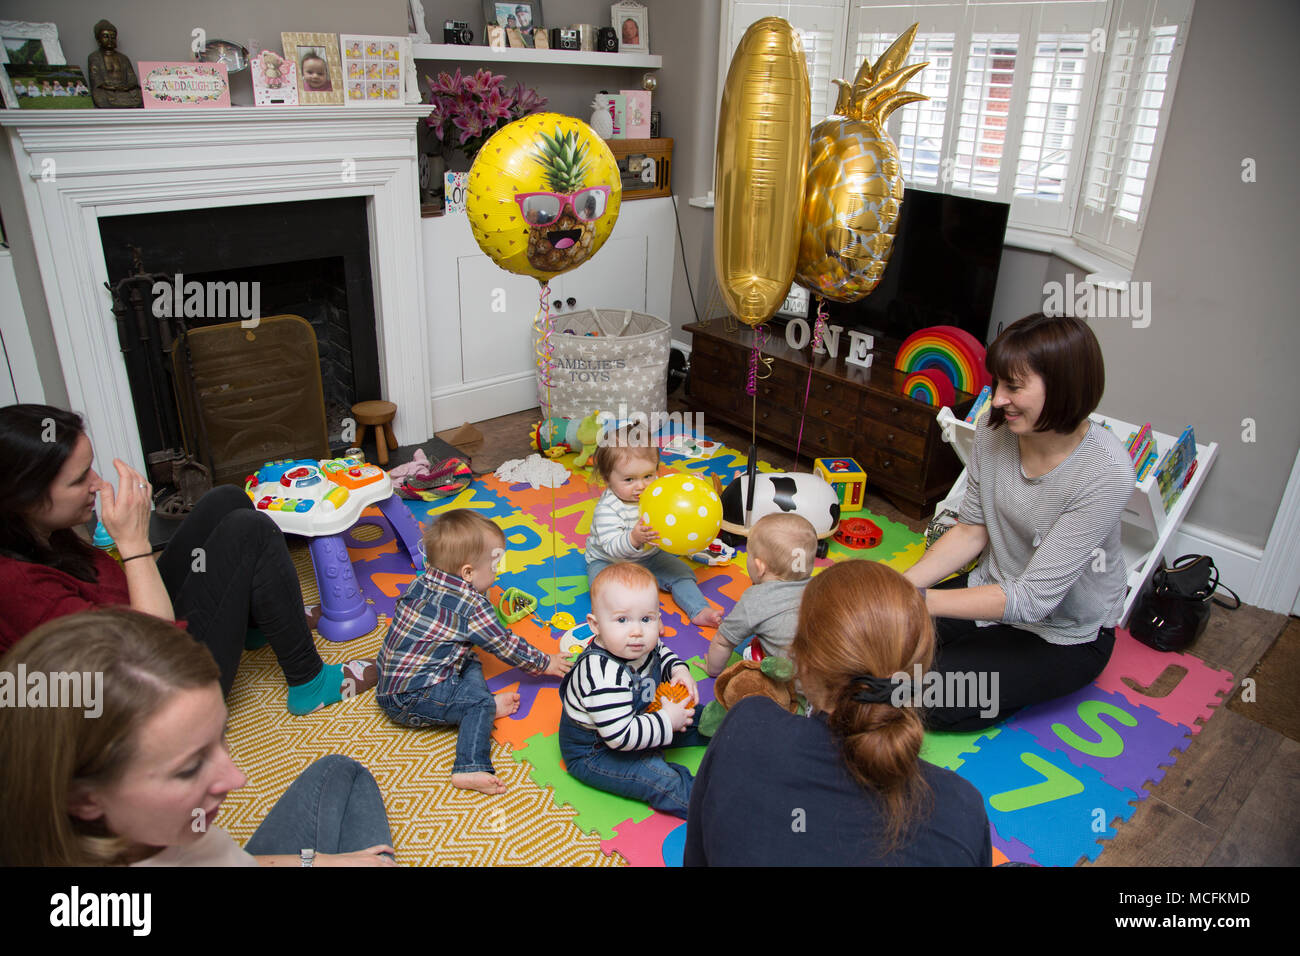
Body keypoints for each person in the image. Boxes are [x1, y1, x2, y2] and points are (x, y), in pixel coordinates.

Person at [0, 404, 375, 715]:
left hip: (136, 623)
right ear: (26, 496)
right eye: (80, 479)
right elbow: (151, 654)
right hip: (157, 692)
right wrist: (133, 544)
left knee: (225, 500)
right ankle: (310, 684)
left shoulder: (40, 531)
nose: (97, 484)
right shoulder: (20, 587)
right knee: (251, 530)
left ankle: (262, 620)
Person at [0, 609, 397, 866]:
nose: (236, 779)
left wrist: (316, 861)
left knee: (338, 770)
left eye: (219, 737)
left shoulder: (162, 830)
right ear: (85, 800)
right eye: (190, 768)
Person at [903, 313, 1135, 730]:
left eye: (1013, 387)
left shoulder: (1105, 471)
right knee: (877, 645)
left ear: (1062, 386)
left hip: (1062, 632)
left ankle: (1010, 682)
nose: (996, 401)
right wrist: (905, 585)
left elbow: (1032, 600)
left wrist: (921, 601)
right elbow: (971, 529)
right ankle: (988, 667)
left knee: (918, 698)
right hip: (990, 592)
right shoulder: (997, 431)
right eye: (997, 384)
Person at [686, 559, 992, 865]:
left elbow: (698, 855)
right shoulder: (961, 810)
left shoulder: (746, 725)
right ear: (921, 672)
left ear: (801, 662)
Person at [376, 510, 571, 795]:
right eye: (494, 568)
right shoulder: (472, 606)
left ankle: (482, 702)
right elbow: (505, 645)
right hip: (409, 697)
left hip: (395, 677)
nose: (497, 573)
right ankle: (470, 765)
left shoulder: (423, 580)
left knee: (470, 657)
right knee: (476, 703)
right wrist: (545, 662)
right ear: (467, 573)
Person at [560, 562, 702, 817]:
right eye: (622, 619)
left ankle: (737, 729)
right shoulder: (601, 673)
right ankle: (714, 805)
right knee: (659, 778)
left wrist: (679, 671)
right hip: (599, 749)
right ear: (595, 625)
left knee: (699, 715)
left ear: (658, 619)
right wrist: (667, 721)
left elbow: (662, 652)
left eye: (646, 619)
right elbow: (620, 737)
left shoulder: (639, 643)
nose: (637, 631)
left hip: (643, 715)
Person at [587, 434, 724, 628]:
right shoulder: (608, 508)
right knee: (604, 592)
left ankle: (699, 610)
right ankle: (644, 620)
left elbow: (675, 490)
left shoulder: (657, 488)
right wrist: (634, 538)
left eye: (648, 476)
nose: (641, 486)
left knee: (682, 573)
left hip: (650, 556)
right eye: (629, 479)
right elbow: (612, 547)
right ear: (607, 478)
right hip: (609, 562)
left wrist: (692, 486)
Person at [704, 512, 815, 676]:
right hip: (836, 675)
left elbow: (722, 642)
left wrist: (712, 670)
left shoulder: (754, 600)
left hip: (796, 685)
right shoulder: (822, 587)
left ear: (759, 567)